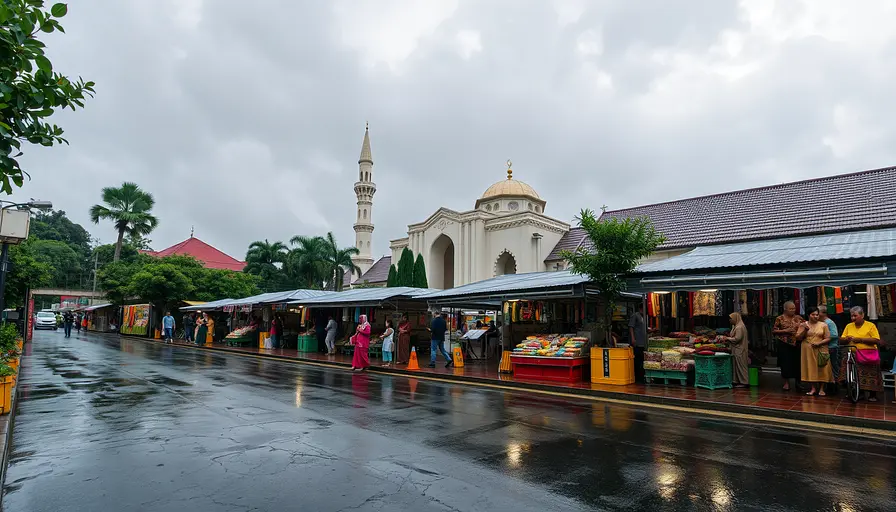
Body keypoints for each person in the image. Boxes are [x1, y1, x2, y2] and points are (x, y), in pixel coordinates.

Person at [840, 306, 884, 402]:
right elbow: (841, 340)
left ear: (862, 315)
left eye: (855, 316)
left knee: (872, 371)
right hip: (853, 353)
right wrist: (846, 339)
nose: (853, 318)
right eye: (851, 316)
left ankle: (873, 394)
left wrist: (861, 340)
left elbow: (876, 340)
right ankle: (855, 391)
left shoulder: (870, 326)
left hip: (868, 354)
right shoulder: (849, 326)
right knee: (845, 362)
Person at [796, 306, 833, 396]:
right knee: (810, 368)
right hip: (808, 349)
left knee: (822, 368)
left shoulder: (823, 325)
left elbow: (828, 338)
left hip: (821, 348)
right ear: (809, 315)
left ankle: (821, 389)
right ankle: (813, 388)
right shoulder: (803, 324)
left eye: (817, 314)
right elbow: (798, 338)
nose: (816, 316)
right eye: (813, 315)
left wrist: (819, 343)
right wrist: (805, 329)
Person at [773, 301, 804, 391]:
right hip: (784, 344)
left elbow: (806, 326)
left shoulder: (799, 318)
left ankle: (798, 383)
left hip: (797, 344)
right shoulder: (779, 318)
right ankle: (786, 383)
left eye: (794, 308)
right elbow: (774, 331)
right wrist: (785, 331)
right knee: (785, 363)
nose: (792, 310)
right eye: (790, 309)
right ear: (785, 309)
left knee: (798, 364)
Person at [721, 312, 750, 388]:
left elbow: (737, 338)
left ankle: (744, 382)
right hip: (736, 349)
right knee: (736, 365)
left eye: (731, 319)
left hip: (740, 350)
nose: (730, 321)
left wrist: (727, 338)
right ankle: (736, 381)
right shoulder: (736, 326)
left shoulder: (739, 327)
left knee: (740, 366)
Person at [817, 305, 840, 391]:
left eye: (818, 312)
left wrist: (822, 336)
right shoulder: (820, 322)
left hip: (831, 347)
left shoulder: (829, 322)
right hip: (824, 348)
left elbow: (834, 335)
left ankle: (834, 384)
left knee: (833, 366)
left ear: (823, 313)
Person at [629, 303, 647, 382]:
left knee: (642, 360)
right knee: (637, 360)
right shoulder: (635, 316)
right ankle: (638, 377)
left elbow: (644, 329)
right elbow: (631, 327)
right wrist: (633, 338)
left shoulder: (644, 317)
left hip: (643, 342)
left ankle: (642, 376)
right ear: (640, 308)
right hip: (637, 342)